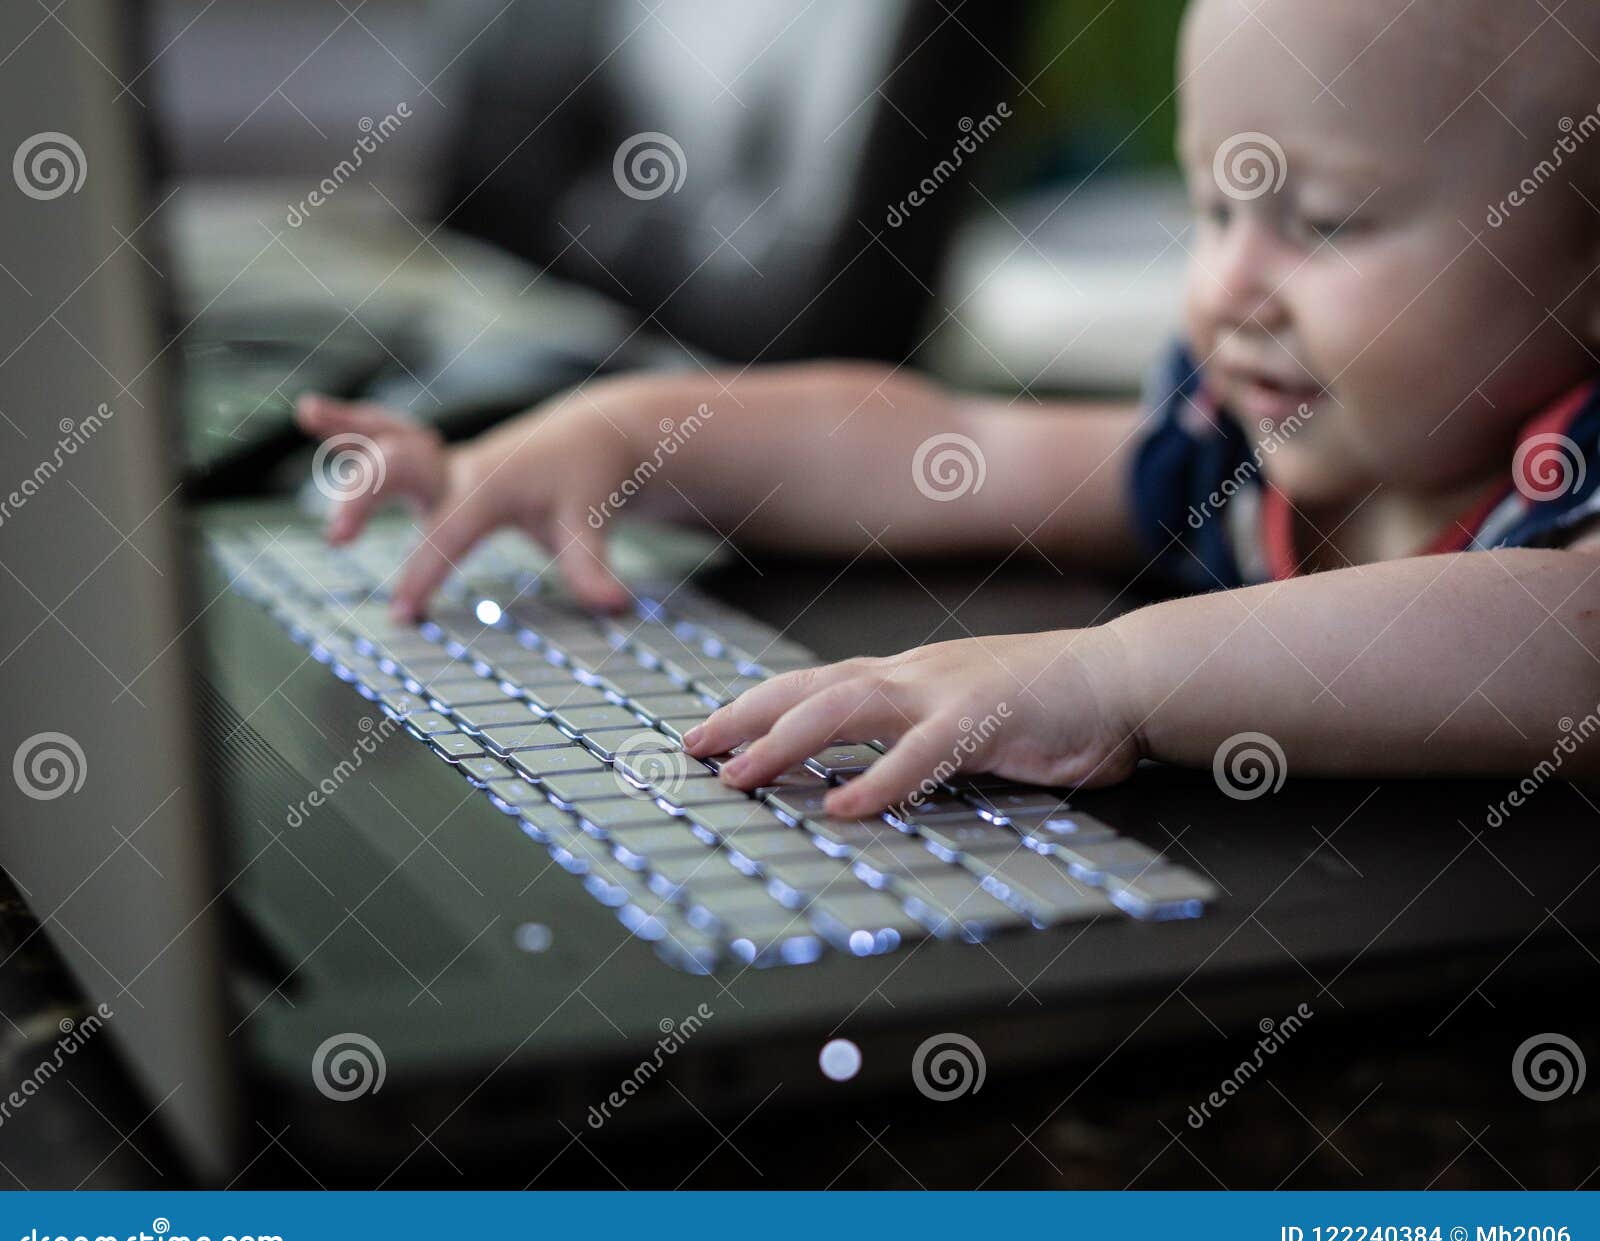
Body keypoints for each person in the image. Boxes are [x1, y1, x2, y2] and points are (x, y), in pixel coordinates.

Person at [296, 0, 1600, 820]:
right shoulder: (1233, 449)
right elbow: (947, 447)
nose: (1232, 285)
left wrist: (1108, 677)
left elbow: (1555, 634)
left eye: (1321, 223)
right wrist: (632, 435)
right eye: (1212, 209)